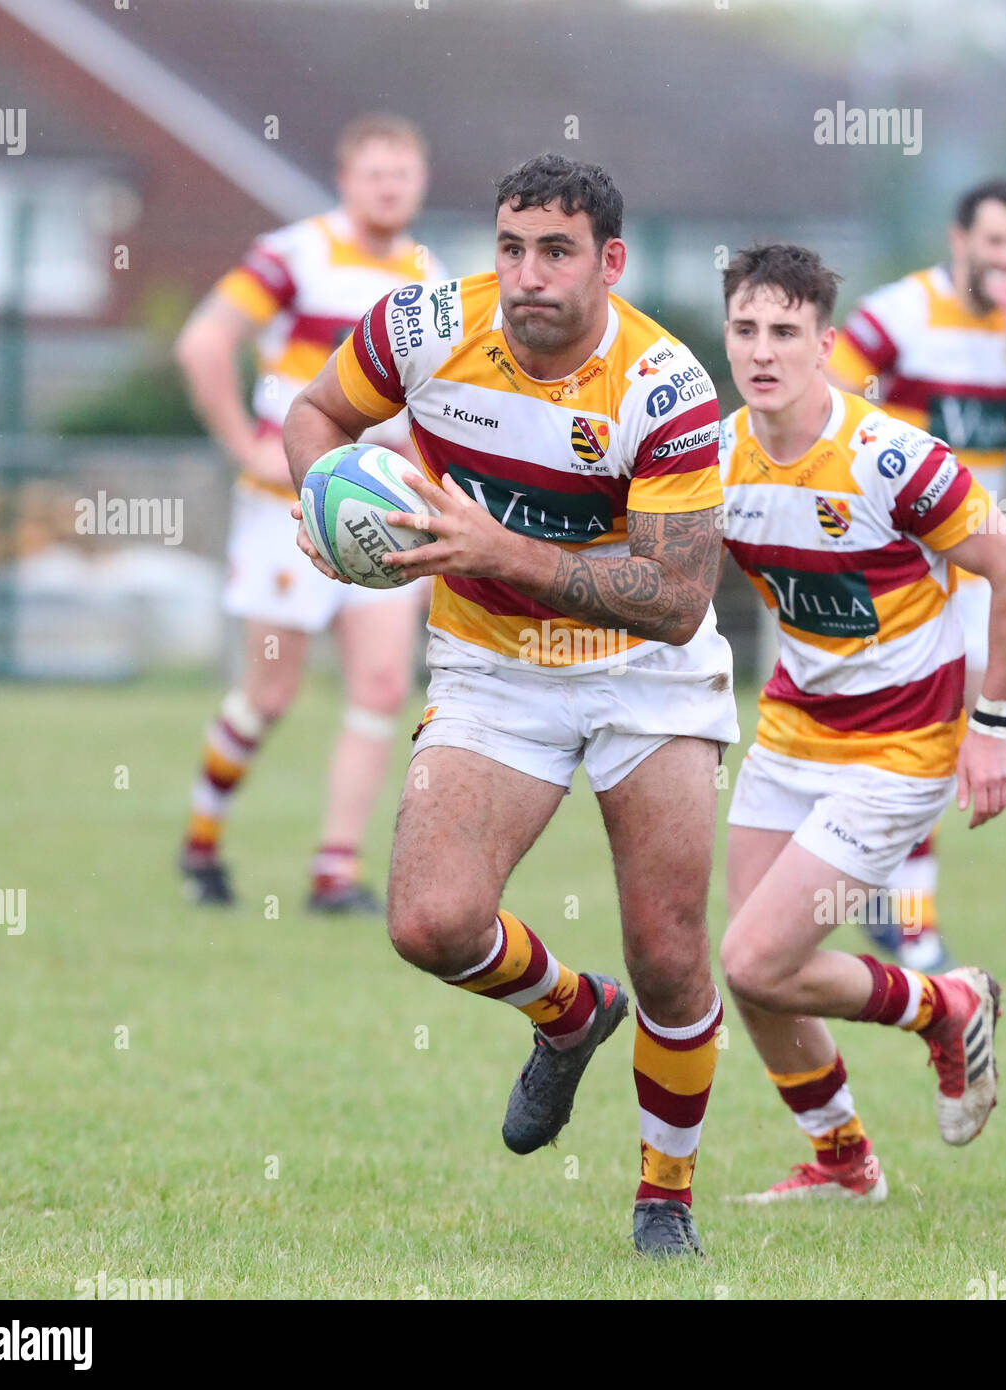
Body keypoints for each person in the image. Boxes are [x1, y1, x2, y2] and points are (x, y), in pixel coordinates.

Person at [283, 154, 738, 1257]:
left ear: (608, 262)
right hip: (491, 664)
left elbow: (676, 602)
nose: (527, 273)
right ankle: (568, 1013)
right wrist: (328, 510)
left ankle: (662, 1200)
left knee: (669, 950)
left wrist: (501, 549)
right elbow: (313, 412)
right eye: (510, 246)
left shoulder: (664, 389)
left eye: (557, 251)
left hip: (646, 675)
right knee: (429, 923)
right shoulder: (423, 324)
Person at [718, 243, 1006, 1202]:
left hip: (901, 748)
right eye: (746, 329)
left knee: (755, 957)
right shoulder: (712, 456)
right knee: (756, 974)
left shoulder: (887, 458)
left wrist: (992, 725)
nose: (763, 350)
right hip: (790, 733)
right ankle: (843, 1164)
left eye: (786, 332)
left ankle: (947, 1003)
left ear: (827, 345)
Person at [174, 114, 442, 912]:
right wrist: (243, 446)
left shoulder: (430, 274)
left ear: (420, 183)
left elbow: (435, 399)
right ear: (345, 178)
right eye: (376, 173)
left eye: (403, 173)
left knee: (385, 683)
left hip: (384, 509)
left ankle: (335, 873)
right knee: (271, 695)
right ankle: (201, 844)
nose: (390, 186)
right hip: (285, 507)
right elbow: (203, 343)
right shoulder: (295, 254)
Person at [827, 179, 1006, 969]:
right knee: (894, 737)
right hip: (891, 559)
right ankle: (899, 906)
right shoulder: (898, 316)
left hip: (973, 565)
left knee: (937, 734)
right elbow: (826, 397)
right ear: (958, 237)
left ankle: (906, 910)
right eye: (994, 239)